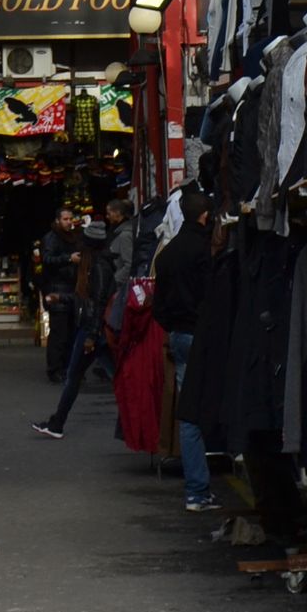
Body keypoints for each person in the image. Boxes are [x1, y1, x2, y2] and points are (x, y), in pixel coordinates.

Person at [33, 197, 131, 441]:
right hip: (95, 330)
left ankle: (58, 423)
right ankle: (130, 419)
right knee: (115, 377)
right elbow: (86, 299)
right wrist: (63, 298)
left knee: (76, 378)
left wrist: (91, 334)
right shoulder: (98, 264)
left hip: (91, 331)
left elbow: (95, 302)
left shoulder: (97, 267)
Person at [151, 187, 219, 512]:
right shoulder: (206, 250)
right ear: (205, 216)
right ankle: (204, 486)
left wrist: (171, 324)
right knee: (216, 404)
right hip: (206, 334)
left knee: (189, 414)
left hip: (179, 333)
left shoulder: (167, 254)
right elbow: (213, 296)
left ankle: (197, 491)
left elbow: (158, 305)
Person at [38, 206, 83, 383]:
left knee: (71, 330)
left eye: (71, 219)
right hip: (57, 288)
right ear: (58, 220)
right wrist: (67, 259)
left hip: (71, 289)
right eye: (65, 219)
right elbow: (47, 260)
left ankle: (67, 366)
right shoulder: (51, 238)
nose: (69, 222)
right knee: (58, 333)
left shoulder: (73, 237)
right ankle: (55, 368)